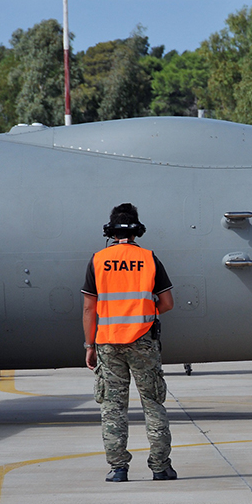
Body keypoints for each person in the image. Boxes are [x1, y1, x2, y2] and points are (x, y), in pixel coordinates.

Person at [82, 203, 177, 482]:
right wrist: (143, 311)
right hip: (143, 341)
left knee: (112, 407)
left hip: (108, 344)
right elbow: (168, 303)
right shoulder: (149, 259)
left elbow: (89, 309)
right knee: (153, 402)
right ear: (137, 230)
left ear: (110, 231)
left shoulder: (98, 260)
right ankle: (160, 467)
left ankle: (118, 468)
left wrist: (90, 346)